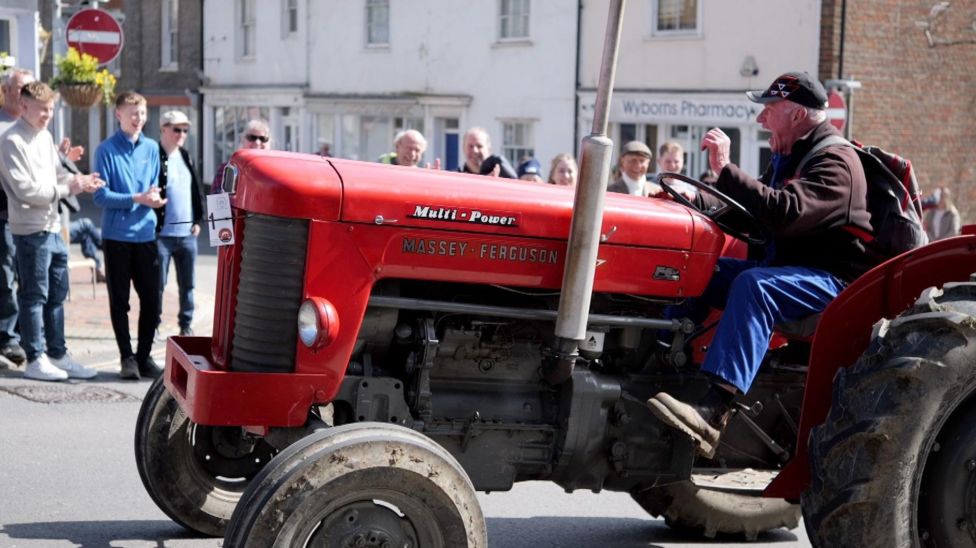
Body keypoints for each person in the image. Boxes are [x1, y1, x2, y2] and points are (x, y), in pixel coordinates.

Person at [646, 72, 874, 458]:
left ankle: (713, 412)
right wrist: (694, 202)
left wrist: (726, 168)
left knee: (755, 286)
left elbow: (785, 212)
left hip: (832, 282)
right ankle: (656, 361)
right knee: (700, 271)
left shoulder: (836, 162)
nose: (760, 120)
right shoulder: (791, 157)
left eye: (769, 109)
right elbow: (752, 215)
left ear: (797, 114)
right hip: (791, 271)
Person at [0, 82, 103, 381]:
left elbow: (58, 172)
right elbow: (24, 191)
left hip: (53, 226)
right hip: (30, 229)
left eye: (51, 109)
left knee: (57, 295)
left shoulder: (44, 136)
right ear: (24, 105)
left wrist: (80, 179)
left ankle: (57, 354)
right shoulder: (11, 141)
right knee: (34, 296)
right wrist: (68, 187)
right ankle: (35, 358)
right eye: (43, 109)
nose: (47, 115)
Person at [93, 91, 165, 381]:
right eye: (132, 113)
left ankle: (144, 356)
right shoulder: (105, 150)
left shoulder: (151, 148)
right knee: (120, 301)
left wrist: (155, 199)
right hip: (117, 236)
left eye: (142, 114)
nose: (138, 119)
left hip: (146, 234)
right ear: (118, 115)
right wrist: (137, 198)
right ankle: (126, 357)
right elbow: (100, 196)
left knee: (152, 300)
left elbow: (153, 187)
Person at [156, 111, 204, 337]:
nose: (182, 134)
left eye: (185, 130)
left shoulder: (186, 156)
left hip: (187, 234)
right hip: (161, 235)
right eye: (177, 129)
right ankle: (153, 324)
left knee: (188, 285)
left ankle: (186, 324)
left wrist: (197, 219)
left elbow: (196, 190)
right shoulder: (154, 155)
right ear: (163, 129)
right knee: (157, 285)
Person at [0, 68, 34, 366]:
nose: (25, 94)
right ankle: (8, 338)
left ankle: (26, 336)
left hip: (31, 216)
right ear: (6, 91)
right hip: (4, 213)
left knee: (29, 279)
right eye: (21, 88)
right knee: (7, 276)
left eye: (30, 88)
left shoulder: (33, 125)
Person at [211, 119, 271, 194]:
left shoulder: (275, 172)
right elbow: (217, 202)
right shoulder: (228, 169)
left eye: (263, 139)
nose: (257, 142)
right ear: (242, 140)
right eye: (252, 138)